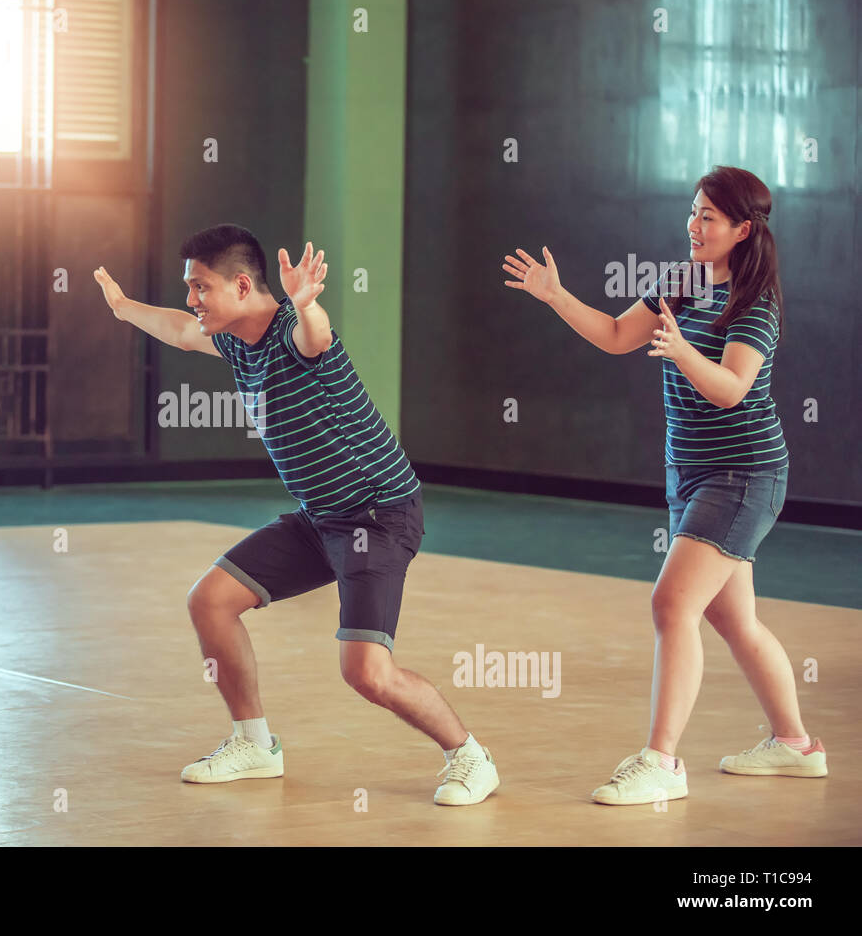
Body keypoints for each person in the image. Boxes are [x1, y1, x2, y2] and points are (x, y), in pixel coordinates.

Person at [94, 224, 500, 805]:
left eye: (200, 287)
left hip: (377, 515)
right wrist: (123, 306)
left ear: (240, 285)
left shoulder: (292, 333)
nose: (192, 299)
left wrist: (306, 305)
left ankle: (470, 756)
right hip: (321, 516)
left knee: (366, 673)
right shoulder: (232, 336)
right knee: (210, 599)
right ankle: (254, 744)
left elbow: (316, 336)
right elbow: (182, 331)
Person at [503, 165, 825, 805]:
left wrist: (683, 354)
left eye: (708, 216)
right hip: (691, 474)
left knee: (671, 605)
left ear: (740, 229)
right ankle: (795, 746)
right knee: (736, 621)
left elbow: (732, 390)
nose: (694, 225)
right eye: (693, 210)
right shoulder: (679, 282)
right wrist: (556, 296)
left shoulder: (753, 305)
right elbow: (620, 336)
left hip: (744, 475)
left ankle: (663, 762)